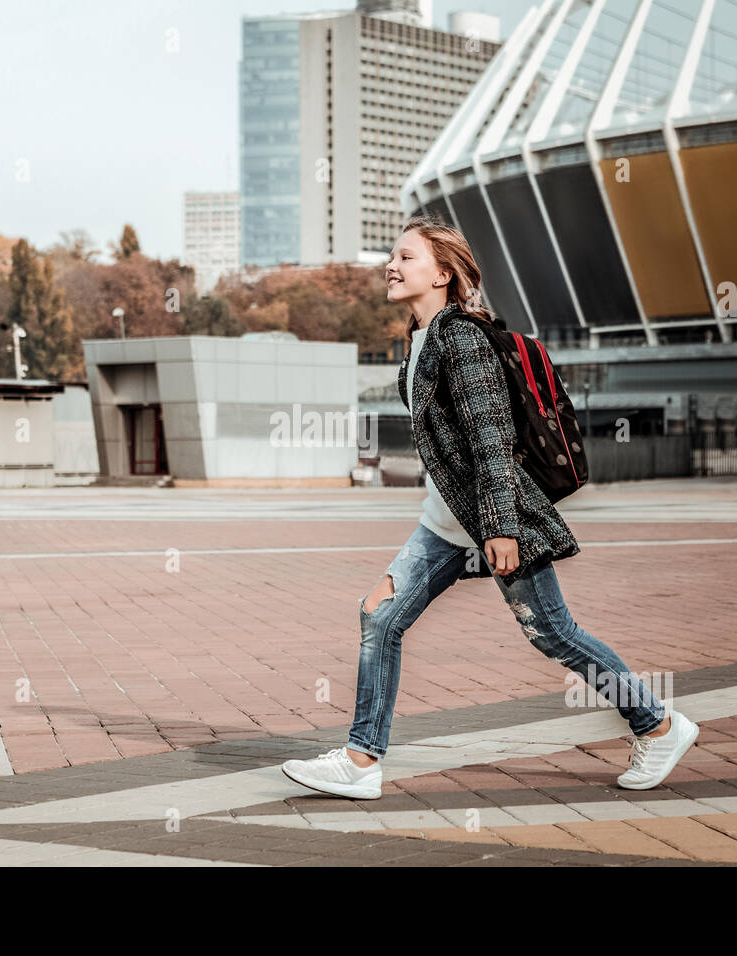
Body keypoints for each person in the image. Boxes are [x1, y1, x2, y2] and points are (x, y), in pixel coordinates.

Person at [281, 215, 699, 800]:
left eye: (406, 257)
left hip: (493, 521)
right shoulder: (420, 338)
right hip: (445, 524)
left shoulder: (463, 339)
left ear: (443, 274)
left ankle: (658, 725)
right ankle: (360, 760)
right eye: (393, 257)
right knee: (379, 616)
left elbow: (492, 439)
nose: (391, 266)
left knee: (554, 634)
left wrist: (502, 528)